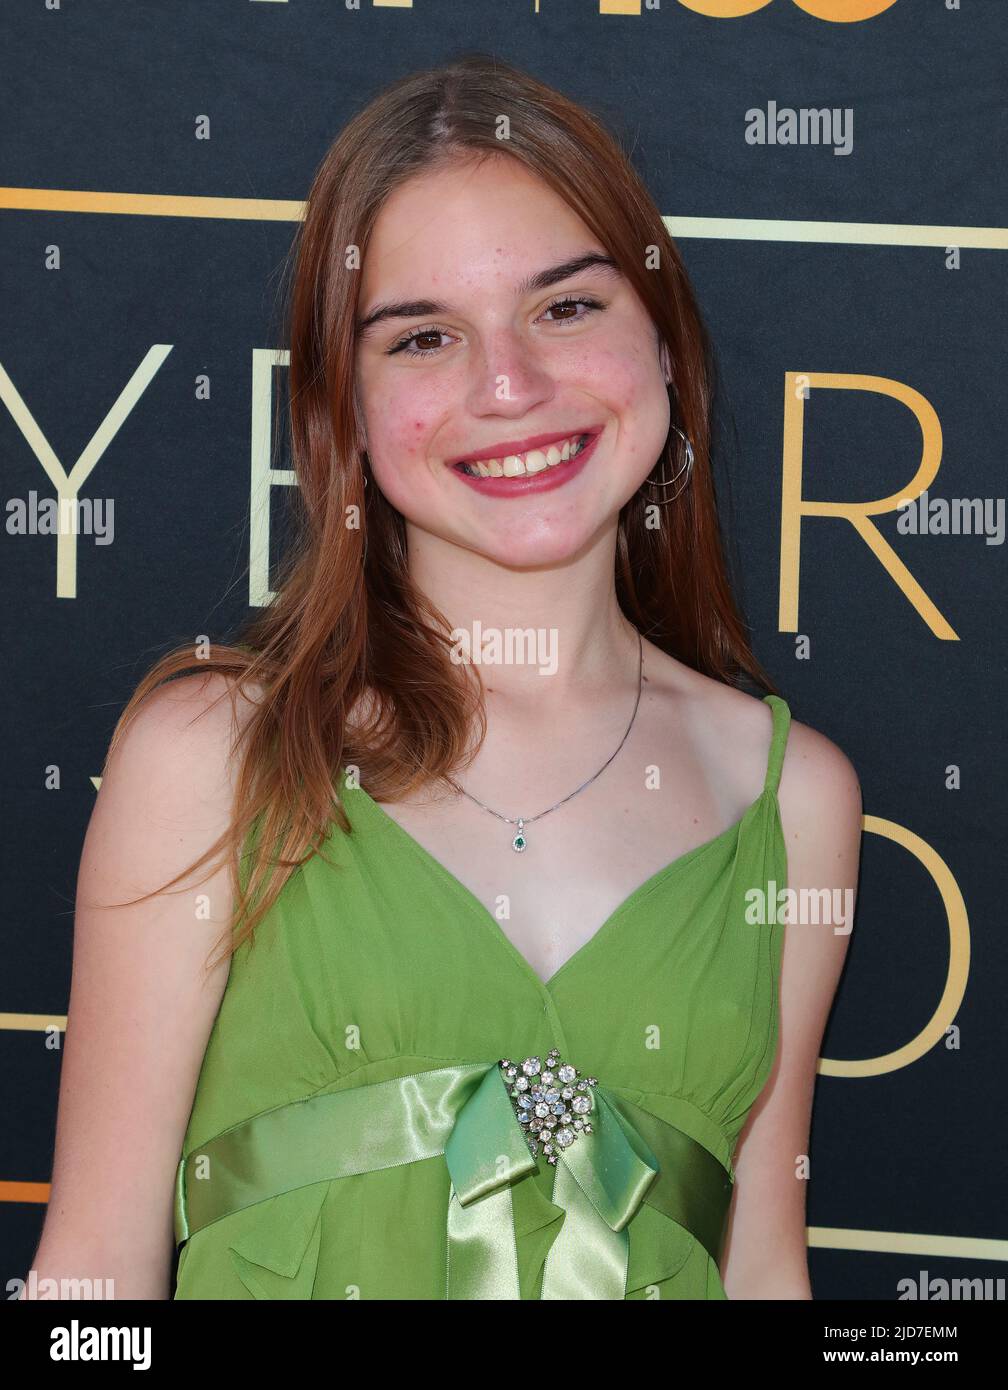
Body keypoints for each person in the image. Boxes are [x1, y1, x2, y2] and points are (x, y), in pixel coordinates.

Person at [23, 54, 862, 1301]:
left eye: (567, 307)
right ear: (342, 412)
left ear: (667, 344)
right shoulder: (214, 755)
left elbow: (762, 1272)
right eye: (424, 336)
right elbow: (89, 1284)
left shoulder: (794, 802)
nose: (509, 386)